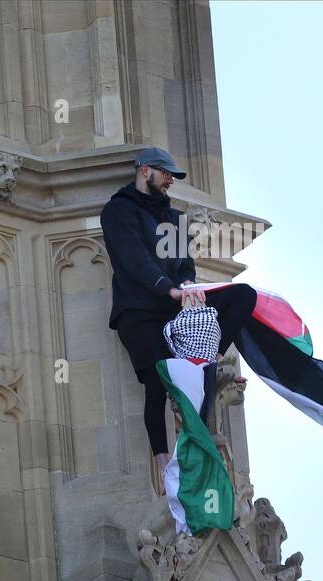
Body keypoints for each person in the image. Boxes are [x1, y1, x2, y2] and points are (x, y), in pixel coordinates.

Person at [100, 147, 257, 493]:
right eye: (165, 172)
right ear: (144, 171)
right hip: (139, 311)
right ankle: (161, 459)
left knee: (243, 296)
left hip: (175, 310)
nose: (171, 179)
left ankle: (210, 355)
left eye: (173, 174)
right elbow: (133, 260)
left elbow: (185, 266)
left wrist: (187, 287)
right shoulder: (118, 211)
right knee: (157, 383)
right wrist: (168, 289)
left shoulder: (174, 219)